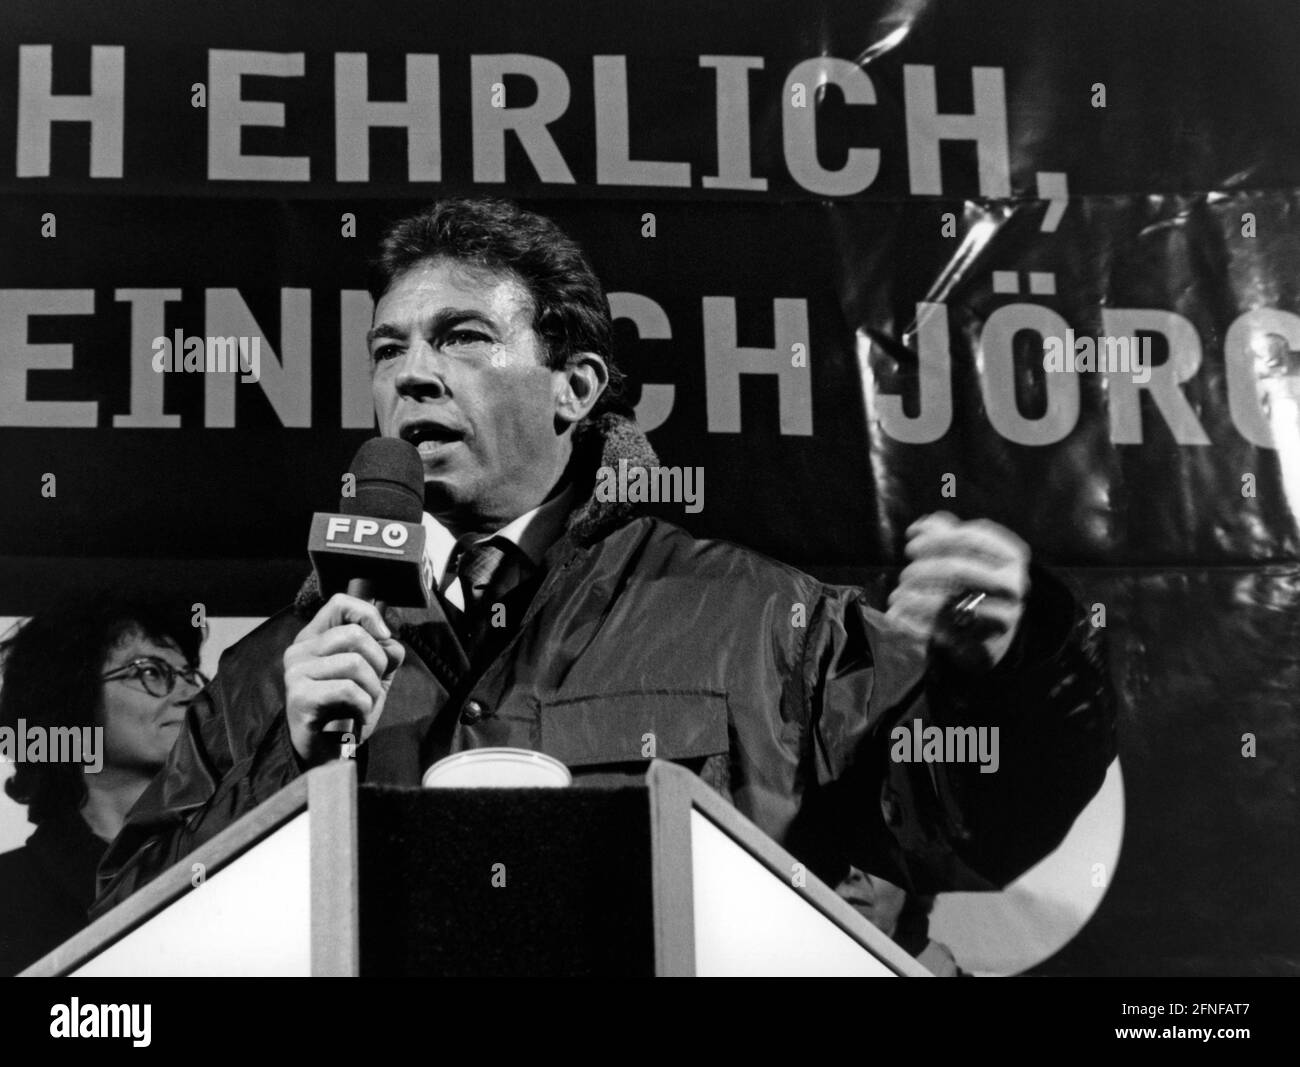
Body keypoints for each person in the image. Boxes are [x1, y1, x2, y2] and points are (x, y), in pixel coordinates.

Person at [93, 198, 1116, 970]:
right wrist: (287, 765)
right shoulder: (283, 666)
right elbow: (128, 940)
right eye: (388, 347)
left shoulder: (768, 622)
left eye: (462, 336)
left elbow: (969, 823)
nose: (410, 372)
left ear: (575, 387)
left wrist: (1027, 667)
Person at [0, 594, 205, 974]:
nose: (192, 694)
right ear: (69, 698)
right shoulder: (9, 895)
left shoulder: (230, 851)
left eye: (190, 674)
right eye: (150, 671)